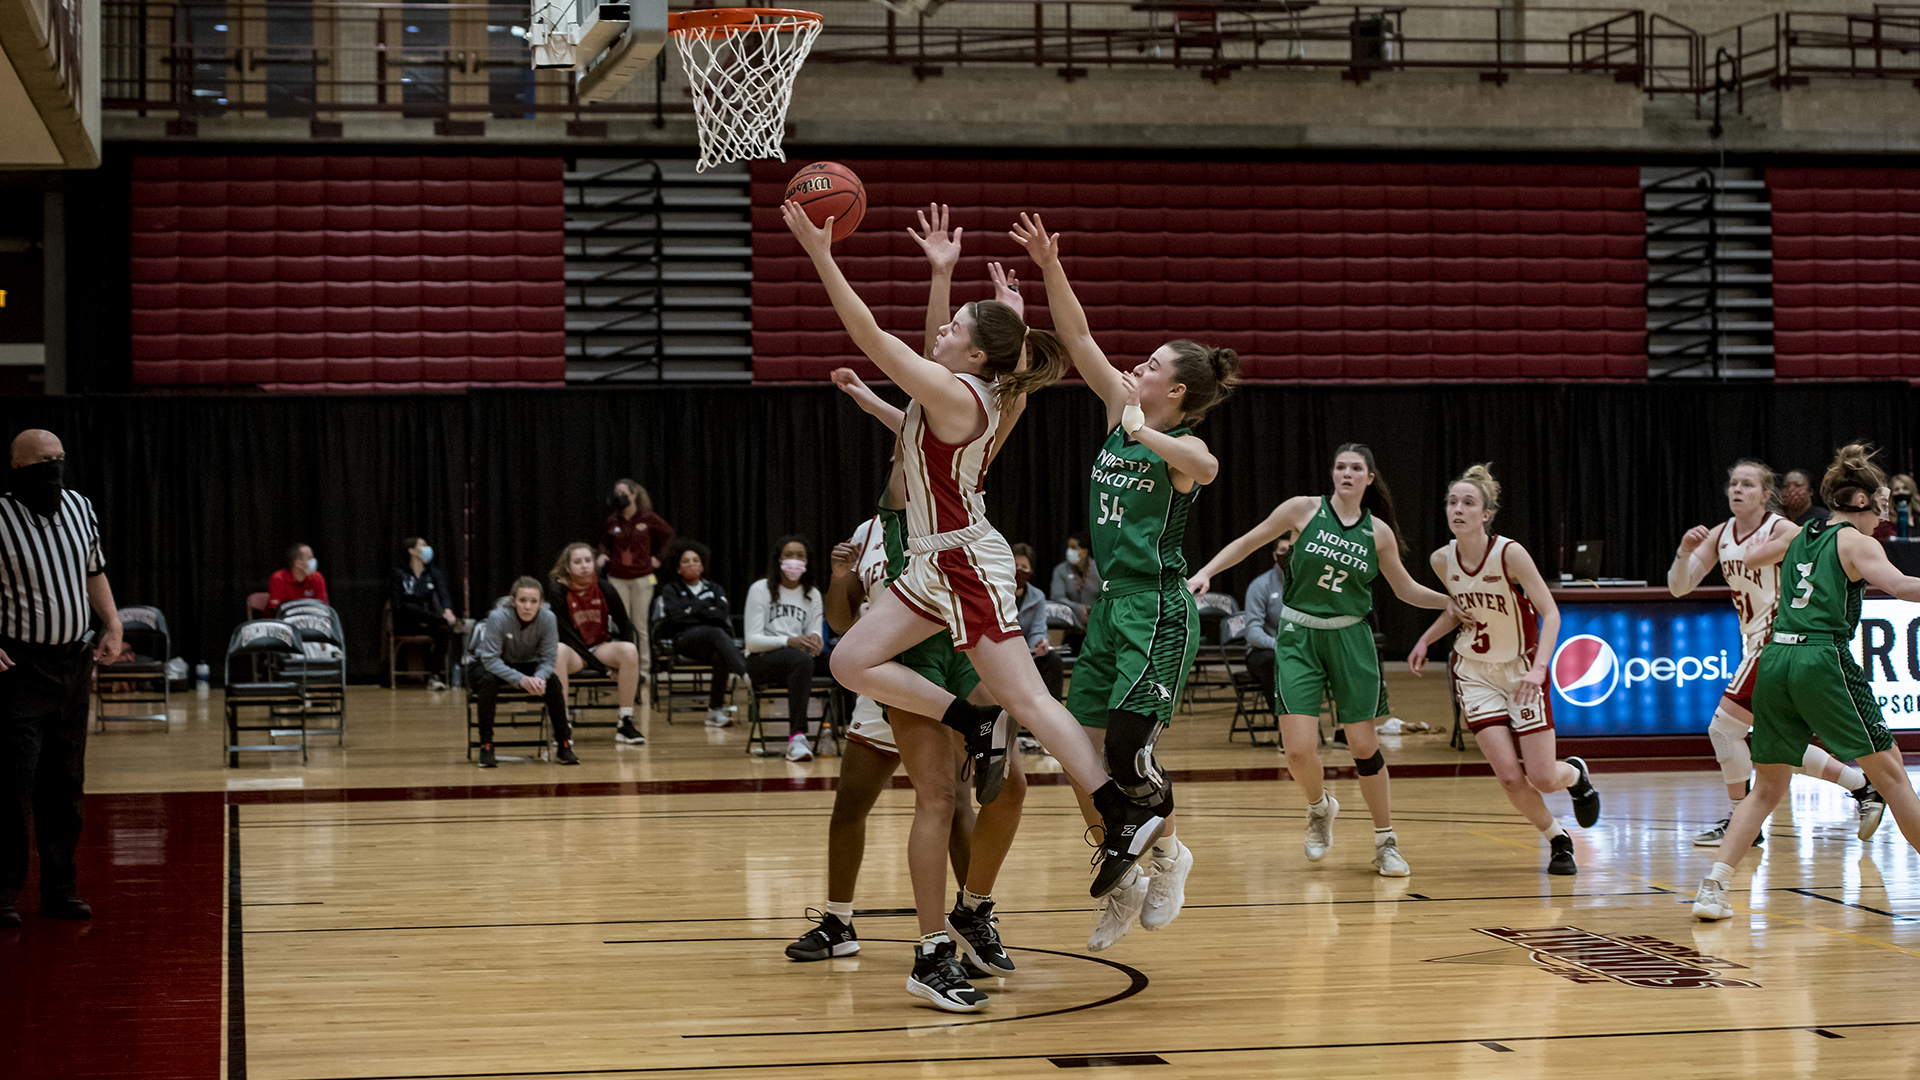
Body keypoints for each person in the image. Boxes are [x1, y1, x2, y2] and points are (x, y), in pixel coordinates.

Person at [788, 196, 1161, 1004]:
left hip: (961, 563)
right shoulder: (978, 389)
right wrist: (956, 284)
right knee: (850, 660)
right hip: (931, 565)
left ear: (980, 353)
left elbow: (872, 336)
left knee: (1029, 699)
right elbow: (936, 349)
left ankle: (1119, 809)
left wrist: (820, 254)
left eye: (956, 325)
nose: (942, 330)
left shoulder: (960, 398)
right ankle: (970, 720)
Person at [786, 210, 1033, 1011]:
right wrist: (944, 280)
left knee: (1004, 788)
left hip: (956, 606)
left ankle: (975, 909)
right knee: (935, 797)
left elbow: (938, 367)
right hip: (914, 627)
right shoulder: (905, 475)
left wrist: (963, 294)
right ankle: (923, 946)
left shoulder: (955, 425)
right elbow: (935, 363)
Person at [1014, 212, 1235, 951]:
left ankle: (1170, 856)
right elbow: (1078, 338)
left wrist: (1145, 433)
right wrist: (1049, 264)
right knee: (1082, 755)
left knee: (1126, 752)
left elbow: (1207, 469)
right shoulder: (1122, 409)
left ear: (1177, 390)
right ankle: (1129, 876)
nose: (1137, 368)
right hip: (1109, 607)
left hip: (1158, 608)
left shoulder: (1179, 444)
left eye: (1152, 366)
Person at [1188, 444, 1454, 877]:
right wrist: (1206, 571)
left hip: (1351, 637)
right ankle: (1319, 807)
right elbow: (1248, 541)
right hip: (1298, 635)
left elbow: (1405, 588)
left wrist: (1450, 601)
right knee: (1297, 751)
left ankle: (1385, 841)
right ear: (1332, 473)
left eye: (1356, 468)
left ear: (1369, 478)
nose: (1346, 473)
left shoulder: (1378, 533)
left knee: (1363, 747)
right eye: (1340, 466)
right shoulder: (1303, 509)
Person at [1694, 444, 1920, 920]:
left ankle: (1713, 887)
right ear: (1860, 500)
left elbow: (1752, 556)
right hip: (1821, 657)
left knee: (1766, 788)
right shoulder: (1857, 543)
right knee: (1893, 776)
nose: (1883, 513)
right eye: (1880, 503)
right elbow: (1901, 586)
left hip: (1775, 656)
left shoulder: (1799, 535)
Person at [1668, 459, 1883, 844]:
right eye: (1733, 483)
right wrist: (1685, 552)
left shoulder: (1783, 530)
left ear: (1766, 494)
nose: (1737, 490)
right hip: (1753, 642)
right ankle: (1862, 785)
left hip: (1777, 640)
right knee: (1776, 744)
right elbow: (1679, 587)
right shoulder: (1720, 534)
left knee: (1724, 729)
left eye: (1747, 484)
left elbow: (1820, 560)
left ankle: (1742, 823)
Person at [1407, 464, 1602, 875]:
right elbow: (1460, 610)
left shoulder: (1509, 554)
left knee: (1543, 776)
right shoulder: (1442, 559)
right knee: (1511, 778)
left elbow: (1551, 613)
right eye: (1452, 502)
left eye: (1468, 503)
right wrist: (1426, 638)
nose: (1457, 509)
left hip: (1521, 672)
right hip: (1474, 674)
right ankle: (1558, 839)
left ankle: (1576, 775)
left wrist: (1539, 669)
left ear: (1486, 514)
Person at [0, 429, 121, 925]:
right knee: (12, 783)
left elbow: (94, 572)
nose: (54, 468)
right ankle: (3, 892)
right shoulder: (0, 517)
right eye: (43, 461)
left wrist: (112, 622)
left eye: (60, 459)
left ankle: (60, 889)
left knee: (66, 782)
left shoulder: (80, 507)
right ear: (18, 467)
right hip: (19, 667)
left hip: (74, 662)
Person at [467, 578, 575, 768]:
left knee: (552, 681)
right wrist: (520, 679)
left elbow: (548, 659)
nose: (527, 606)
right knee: (488, 682)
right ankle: (486, 745)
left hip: (525, 663)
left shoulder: (548, 618)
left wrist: (539, 677)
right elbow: (490, 659)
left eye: (533, 601)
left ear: (541, 603)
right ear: (512, 601)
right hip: (489, 664)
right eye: (522, 600)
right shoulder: (498, 617)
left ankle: (564, 744)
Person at [546, 542, 646, 746]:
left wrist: (618, 663)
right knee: (557, 651)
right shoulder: (558, 591)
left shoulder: (605, 588)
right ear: (567, 567)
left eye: (588, 560)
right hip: (573, 651)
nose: (584, 565)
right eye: (577, 562)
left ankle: (625, 722)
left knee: (629, 650)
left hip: (599, 647)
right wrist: (603, 668)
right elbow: (566, 636)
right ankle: (562, 726)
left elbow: (625, 625)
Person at [744, 534, 830, 762]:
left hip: (799, 659)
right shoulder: (760, 589)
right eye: (789, 555)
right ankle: (797, 737)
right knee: (800, 661)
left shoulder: (812, 593)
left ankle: (851, 726)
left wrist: (815, 641)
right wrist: (789, 641)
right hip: (762, 660)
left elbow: (815, 635)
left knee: (842, 660)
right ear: (779, 559)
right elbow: (752, 642)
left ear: (807, 561)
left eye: (800, 556)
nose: (794, 560)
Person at [655, 539, 749, 727]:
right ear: (678, 569)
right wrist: (706, 609)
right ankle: (747, 674)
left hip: (712, 641)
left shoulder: (715, 588)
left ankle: (715, 712)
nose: (691, 564)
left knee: (720, 655)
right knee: (716, 633)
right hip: (685, 641)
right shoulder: (671, 589)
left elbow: (722, 614)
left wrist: (691, 610)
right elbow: (675, 618)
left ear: (702, 566)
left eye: (695, 560)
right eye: (686, 561)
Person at [598, 479, 673, 685]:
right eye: (616, 494)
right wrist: (603, 554)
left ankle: (644, 670)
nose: (619, 497)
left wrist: (658, 558)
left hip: (642, 577)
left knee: (640, 626)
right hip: (617, 577)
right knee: (623, 624)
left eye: (623, 493)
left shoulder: (648, 517)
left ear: (633, 495)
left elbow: (668, 535)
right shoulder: (612, 519)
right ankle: (623, 667)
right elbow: (603, 540)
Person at [391, 536, 457, 690]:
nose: (427, 549)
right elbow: (397, 605)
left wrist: (448, 611)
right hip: (407, 622)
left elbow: (443, 595)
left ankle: (434, 676)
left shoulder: (432, 573)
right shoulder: (400, 573)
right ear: (412, 551)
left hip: (429, 621)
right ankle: (442, 620)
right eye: (423, 545)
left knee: (444, 630)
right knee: (409, 607)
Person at [1242, 532, 1294, 712]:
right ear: (1274, 555)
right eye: (1283, 550)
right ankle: (1281, 717)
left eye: (1292, 550)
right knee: (1271, 660)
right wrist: (1278, 645)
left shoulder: (1307, 584)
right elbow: (1252, 632)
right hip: (1265, 650)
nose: (1288, 555)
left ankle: (1339, 725)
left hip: (1298, 648)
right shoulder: (1260, 585)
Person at [1010, 544, 1064, 700]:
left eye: (1024, 567)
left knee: (1053, 661)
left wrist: (1039, 643)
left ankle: (1052, 710)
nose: (1019, 571)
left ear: (1031, 571)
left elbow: (1038, 630)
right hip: (1004, 653)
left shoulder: (1037, 596)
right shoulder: (997, 592)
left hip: (1028, 654)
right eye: (1015, 566)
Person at [1051, 533, 1101, 629]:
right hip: (1068, 623)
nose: (1069, 551)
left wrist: (1093, 611)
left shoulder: (1098, 570)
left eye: (1073, 548)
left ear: (1085, 552)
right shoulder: (1060, 570)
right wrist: (1077, 608)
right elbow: (1057, 598)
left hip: (1096, 620)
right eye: (1068, 547)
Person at [267, 543, 328, 613]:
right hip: (284, 618)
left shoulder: (317, 577)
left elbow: (322, 606)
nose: (314, 560)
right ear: (298, 563)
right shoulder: (278, 578)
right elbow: (276, 609)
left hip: (311, 617)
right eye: (309, 558)